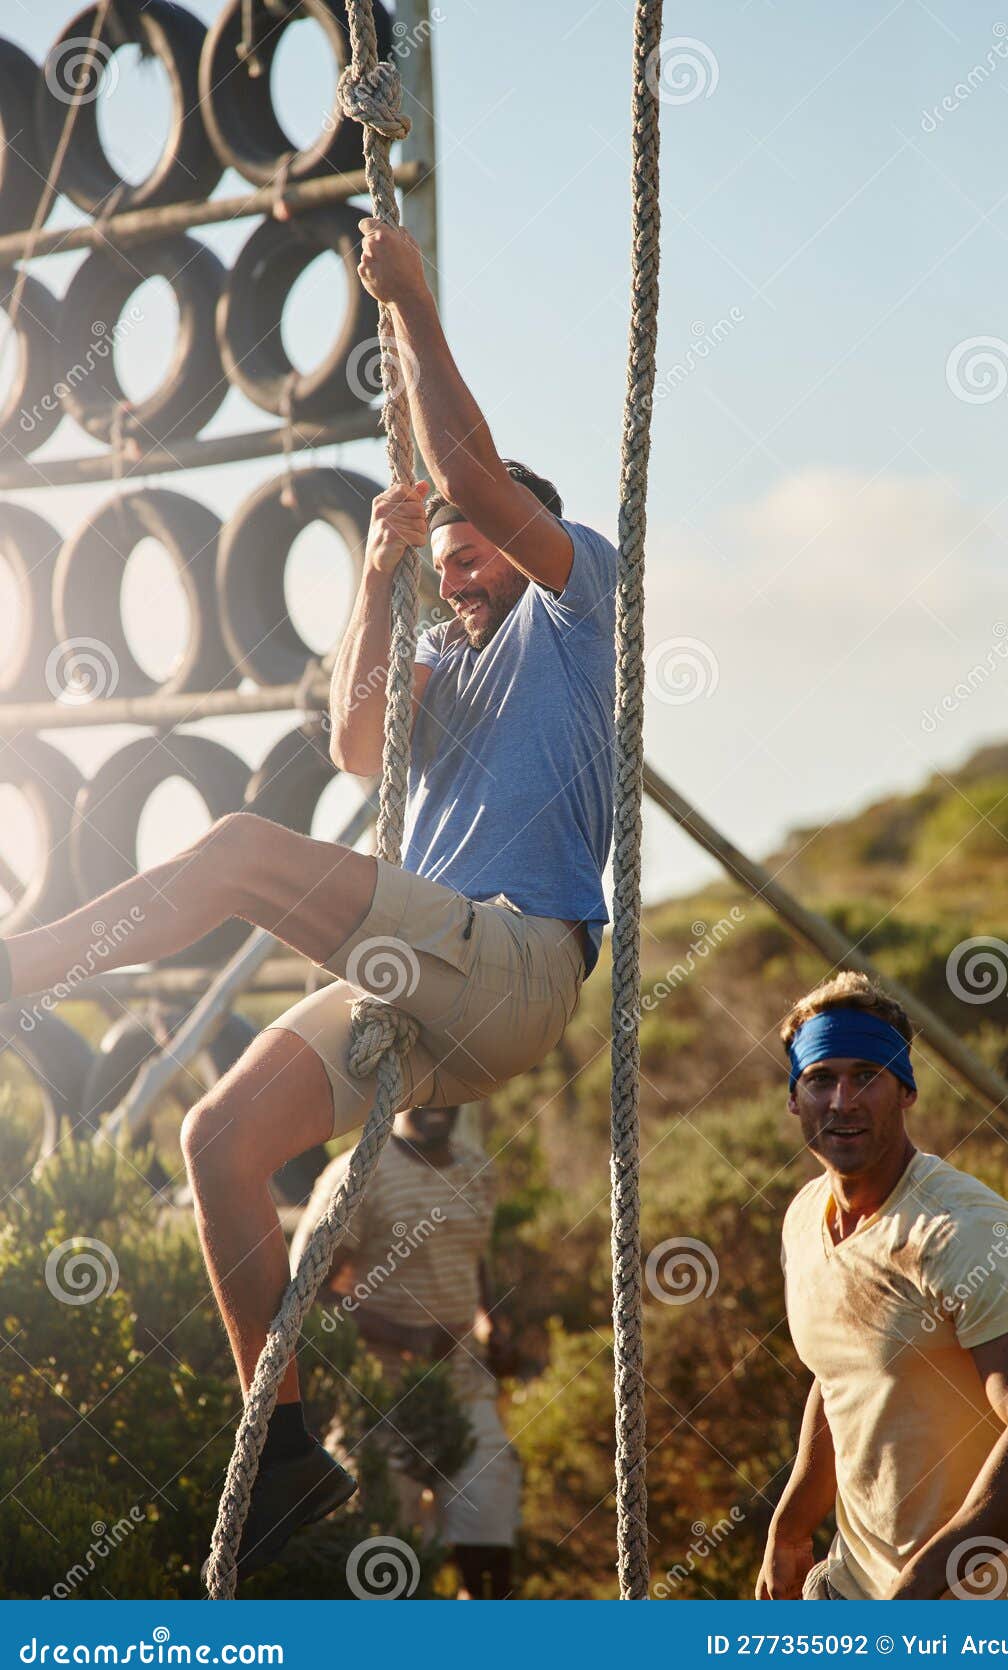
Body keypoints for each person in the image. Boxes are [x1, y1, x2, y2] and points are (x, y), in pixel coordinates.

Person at [0, 218, 617, 1582]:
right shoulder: (446, 674)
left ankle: (25, 963)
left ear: (531, 540)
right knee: (220, 1139)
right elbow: (352, 745)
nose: (460, 557)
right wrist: (378, 570)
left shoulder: (576, 603)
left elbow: (465, 463)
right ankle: (284, 1451)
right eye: (448, 550)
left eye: (476, 542)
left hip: (516, 960)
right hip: (432, 988)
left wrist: (409, 306)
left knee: (230, 847)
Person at [755, 970, 1008, 1601]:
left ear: (905, 1092)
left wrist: (930, 1578)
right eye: (820, 1078)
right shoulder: (804, 1216)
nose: (842, 1101)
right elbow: (842, 1375)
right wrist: (790, 1527)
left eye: (866, 1076)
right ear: (794, 1097)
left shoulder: (962, 1233)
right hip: (857, 1585)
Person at [288, 1104, 521, 1599]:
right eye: (422, 1091)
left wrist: (492, 1324)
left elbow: (472, 1259)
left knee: (489, 1515)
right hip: (379, 1397)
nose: (437, 1103)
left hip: (463, 1383)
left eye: (448, 1090)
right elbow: (305, 1291)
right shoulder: (357, 1173)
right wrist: (402, 1335)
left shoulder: (476, 1169)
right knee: (385, 1551)